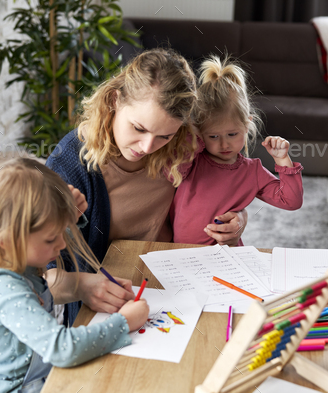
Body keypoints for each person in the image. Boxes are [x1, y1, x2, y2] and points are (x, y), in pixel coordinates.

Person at [45, 48, 249, 325]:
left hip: (182, 283)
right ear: (115, 100)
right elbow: (37, 279)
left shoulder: (187, 145)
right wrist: (80, 286)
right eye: (138, 128)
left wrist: (238, 219)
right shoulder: (71, 162)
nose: (148, 147)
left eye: (165, 135)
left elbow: (231, 183)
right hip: (111, 301)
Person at [0, 158, 149, 393]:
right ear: (8, 240)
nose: (61, 243)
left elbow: (42, 236)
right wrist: (124, 324)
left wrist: (69, 215)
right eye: (52, 239)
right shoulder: (3, 288)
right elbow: (62, 349)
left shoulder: (7, 253)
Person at [170, 56, 304, 245]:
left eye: (232, 134)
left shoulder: (252, 171)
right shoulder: (192, 160)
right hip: (178, 253)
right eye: (213, 136)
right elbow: (170, 172)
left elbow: (291, 201)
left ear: (247, 126)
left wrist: (283, 160)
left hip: (227, 255)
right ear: (199, 131)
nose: (224, 144)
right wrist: (195, 136)